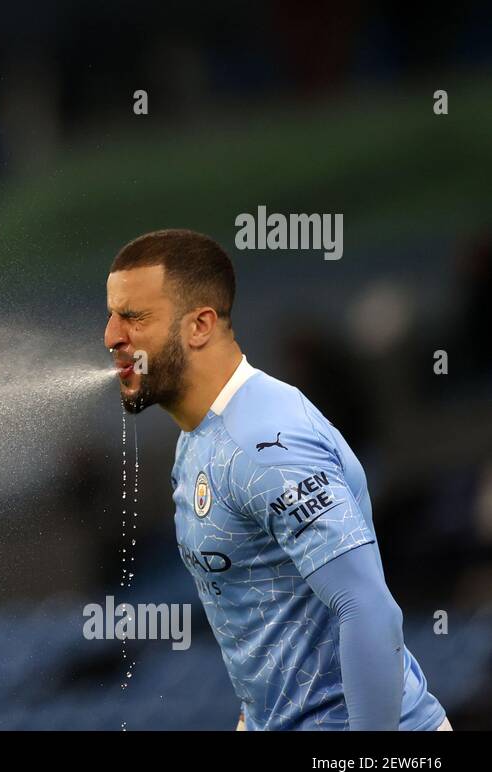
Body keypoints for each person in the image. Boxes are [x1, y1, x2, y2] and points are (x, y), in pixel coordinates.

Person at [102, 228, 449, 730]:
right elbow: (264, 615)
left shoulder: (264, 442)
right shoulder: (199, 438)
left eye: (134, 317)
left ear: (199, 325)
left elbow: (369, 610)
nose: (111, 335)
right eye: (112, 315)